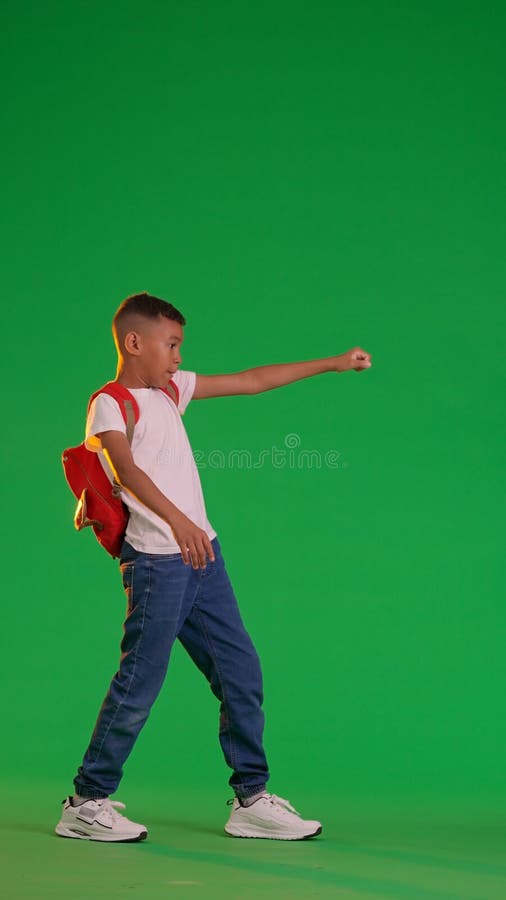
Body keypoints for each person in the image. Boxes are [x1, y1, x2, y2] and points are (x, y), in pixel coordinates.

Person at [55, 292, 372, 843]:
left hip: (204, 558)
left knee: (241, 671)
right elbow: (124, 470)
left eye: (180, 347)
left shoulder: (170, 391)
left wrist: (332, 363)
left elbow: (252, 380)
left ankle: (251, 799)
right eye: (171, 345)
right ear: (135, 343)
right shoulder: (111, 402)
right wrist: (178, 522)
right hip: (158, 563)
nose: (178, 357)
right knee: (140, 681)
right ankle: (85, 802)